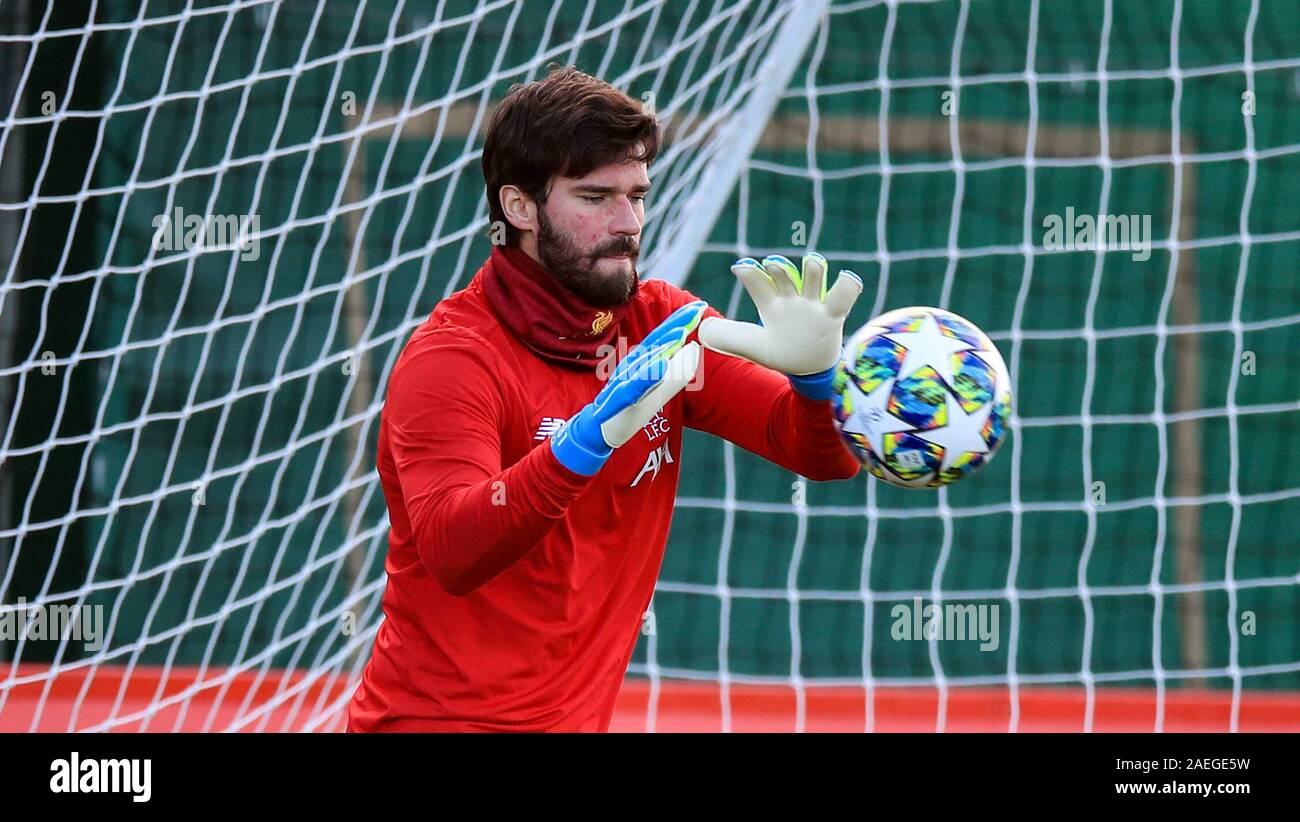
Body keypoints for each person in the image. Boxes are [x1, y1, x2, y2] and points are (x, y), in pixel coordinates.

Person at [347, 65, 862, 732]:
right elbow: (453, 550)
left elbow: (822, 456)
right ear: (519, 208)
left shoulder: (660, 324)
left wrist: (817, 384)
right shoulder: (452, 358)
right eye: (596, 198)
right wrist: (588, 439)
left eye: (638, 196)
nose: (628, 223)